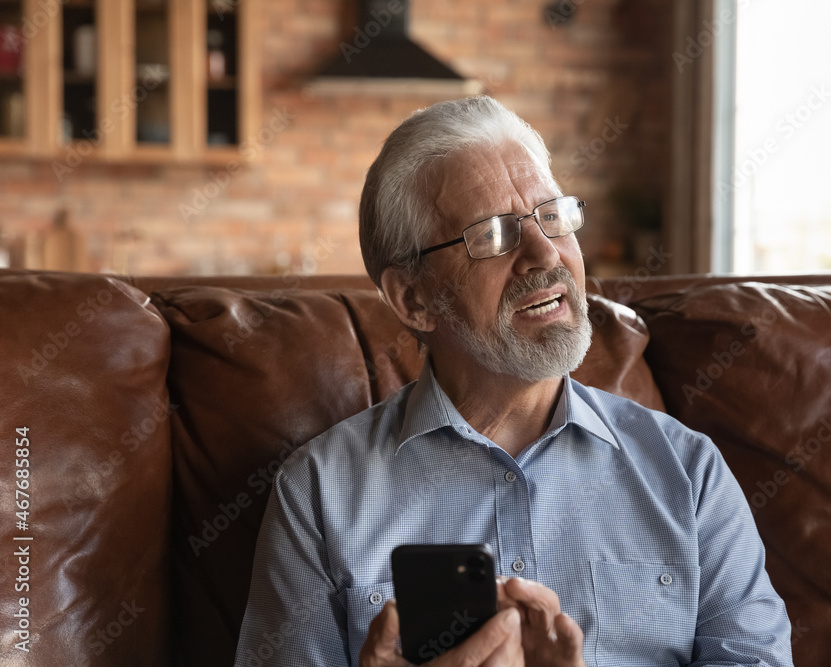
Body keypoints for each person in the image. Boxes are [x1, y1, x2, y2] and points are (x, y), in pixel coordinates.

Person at [235, 96, 793, 667]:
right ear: (414, 298)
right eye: (494, 236)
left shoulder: (688, 472)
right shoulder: (318, 493)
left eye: (551, 216)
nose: (545, 254)